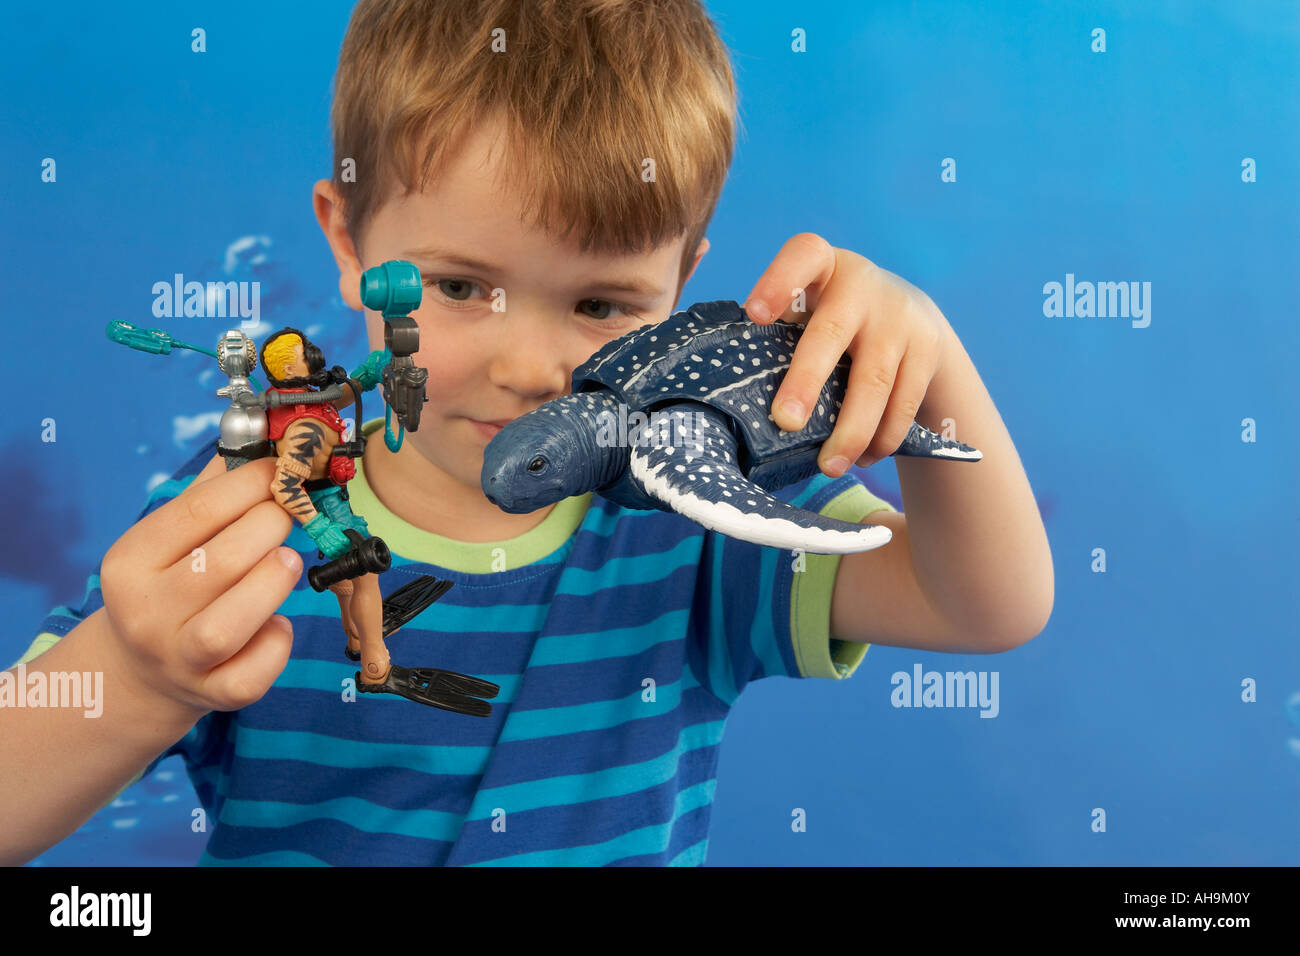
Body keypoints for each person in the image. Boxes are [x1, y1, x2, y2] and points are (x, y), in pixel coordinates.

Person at [1, 0, 1053, 865]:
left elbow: (985, 606)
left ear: (683, 286)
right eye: (460, 286)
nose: (531, 366)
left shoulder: (694, 524)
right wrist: (139, 676)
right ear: (346, 237)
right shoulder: (251, 507)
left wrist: (932, 359)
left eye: (601, 305)